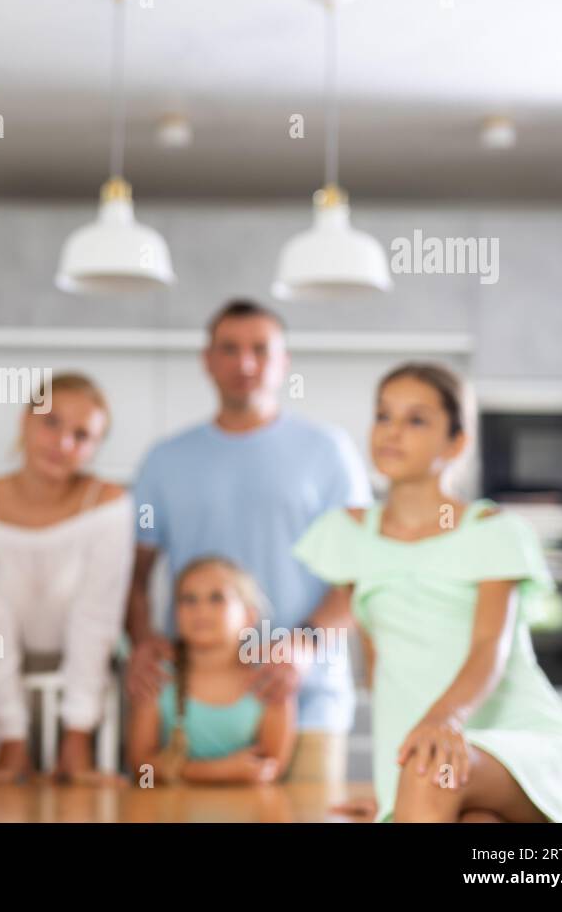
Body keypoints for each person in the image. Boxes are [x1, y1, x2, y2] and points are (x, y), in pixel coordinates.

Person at [293, 362, 562, 822]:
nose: (392, 432)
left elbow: (492, 646)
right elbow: (380, 670)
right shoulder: (348, 534)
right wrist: (394, 794)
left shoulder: (492, 532)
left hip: (512, 742)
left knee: (435, 771)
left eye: (416, 419)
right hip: (428, 762)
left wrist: (443, 722)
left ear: (457, 442)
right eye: (383, 416)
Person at [126, 299, 372, 786]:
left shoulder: (329, 452)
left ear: (285, 362)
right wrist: (142, 645)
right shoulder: (164, 461)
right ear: (207, 360)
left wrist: (303, 646)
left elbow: (360, 575)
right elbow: (134, 580)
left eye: (260, 350)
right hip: (192, 712)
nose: (244, 363)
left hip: (307, 698)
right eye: (229, 349)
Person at [0, 373, 132, 783]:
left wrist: (78, 734)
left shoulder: (109, 504)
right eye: (52, 422)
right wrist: (12, 739)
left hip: (89, 689)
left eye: (82, 435)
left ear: (95, 448)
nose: (63, 443)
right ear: (25, 421)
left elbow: (95, 619)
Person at [127, 556, 296, 785]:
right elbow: (141, 766)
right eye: (189, 599)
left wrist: (181, 771)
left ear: (249, 616)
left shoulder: (270, 682)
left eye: (217, 598)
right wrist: (220, 771)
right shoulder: (156, 677)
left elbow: (270, 767)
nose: (201, 609)